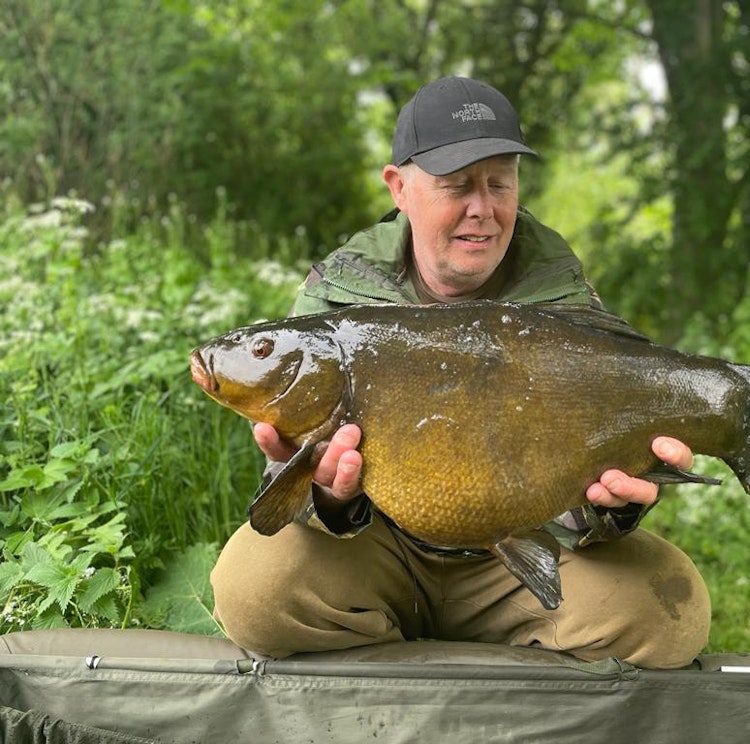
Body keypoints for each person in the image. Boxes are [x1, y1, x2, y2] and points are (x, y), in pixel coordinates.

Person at [211, 76, 711, 668]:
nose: (483, 209)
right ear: (399, 187)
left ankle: (463, 668)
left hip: (517, 562)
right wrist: (330, 498)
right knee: (253, 594)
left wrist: (616, 508)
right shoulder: (339, 301)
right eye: (457, 185)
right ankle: (408, 691)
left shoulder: (564, 306)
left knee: (670, 614)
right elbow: (289, 489)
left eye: (499, 182)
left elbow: (588, 497)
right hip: (379, 550)